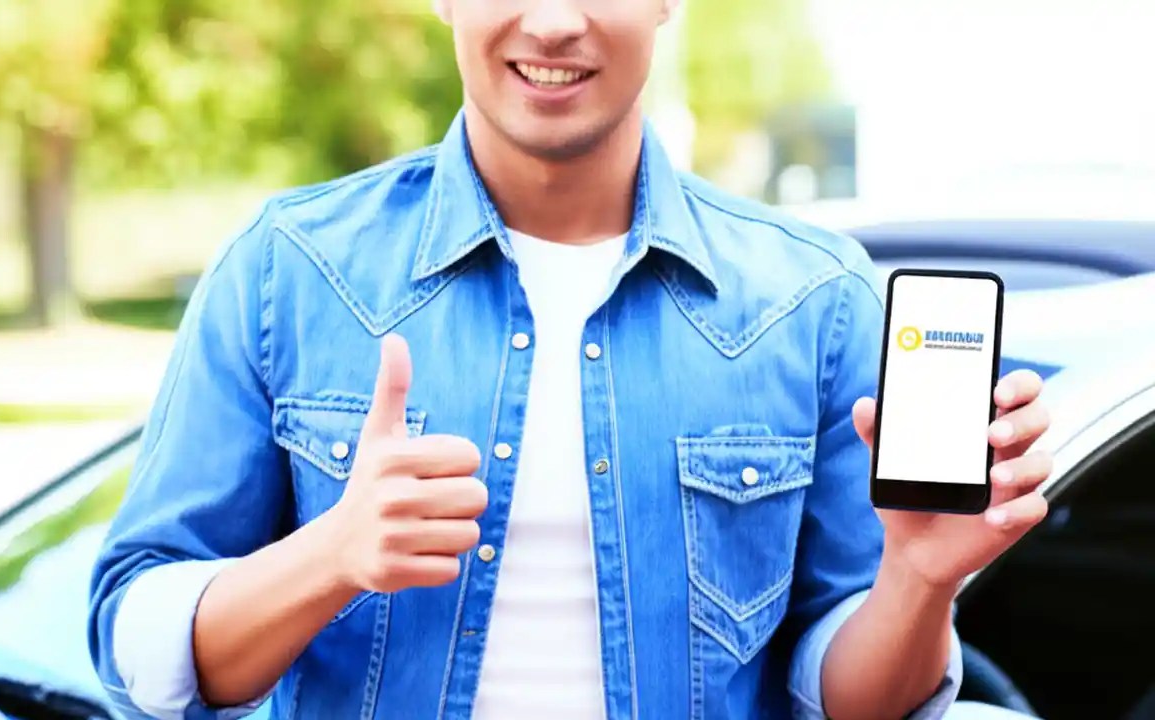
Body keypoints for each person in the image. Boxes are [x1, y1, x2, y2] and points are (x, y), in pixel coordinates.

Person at [87, 1, 1054, 718]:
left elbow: (853, 700)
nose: (552, 23)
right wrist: (327, 559)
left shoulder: (814, 297)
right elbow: (133, 638)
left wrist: (917, 584)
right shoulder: (288, 267)